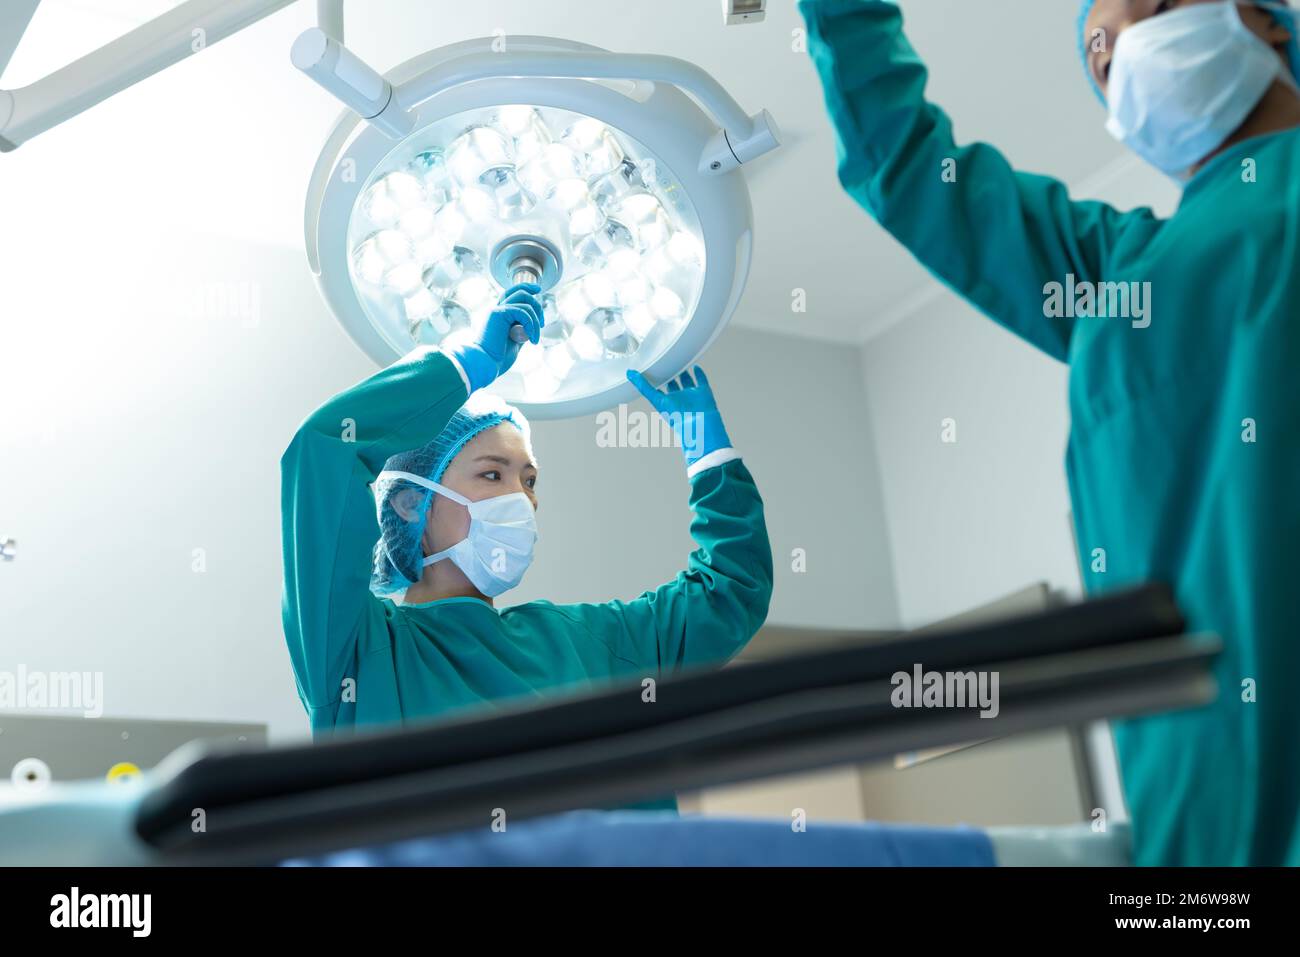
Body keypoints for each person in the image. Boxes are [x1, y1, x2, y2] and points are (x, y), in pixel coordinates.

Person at [798, 0, 1300, 865]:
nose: (1131, 49)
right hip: (1202, 834)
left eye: (1157, 7)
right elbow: (911, 171)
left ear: (1264, 20)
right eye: (1105, 59)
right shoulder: (1116, 277)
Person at [279, 282, 773, 811]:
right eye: (493, 474)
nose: (522, 499)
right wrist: (462, 367)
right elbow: (324, 449)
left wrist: (708, 455)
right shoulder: (361, 653)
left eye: (530, 480)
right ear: (409, 503)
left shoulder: (590, 643)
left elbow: (729, 594)